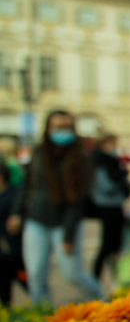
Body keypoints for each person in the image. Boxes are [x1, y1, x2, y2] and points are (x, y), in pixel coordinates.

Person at [8, 110, 104, 304]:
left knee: (72, 274)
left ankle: (104, 303)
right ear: (48, 129)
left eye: (67, 127)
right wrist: (17, 213)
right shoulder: (39, 153)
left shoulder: (82, 158)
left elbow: (78, 202)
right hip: (37, 221)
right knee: (36, 276)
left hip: (65, 223)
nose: (62, 132)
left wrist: (68, 236)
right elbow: (27, 185)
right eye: (58, 127)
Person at [90, 132, 130, 281]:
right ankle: (95, 279)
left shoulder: (110, 161)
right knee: (107, 245)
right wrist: (122, 178)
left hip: (114, 206)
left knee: (115, 247)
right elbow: (105, 186)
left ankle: (118, 280)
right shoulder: (101, 161)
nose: (115, 147)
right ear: (104, 144)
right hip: (107, 207)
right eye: (112, 143)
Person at [0, 162, 22, 306]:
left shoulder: (15, 194)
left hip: (16, 253)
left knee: (30, 283)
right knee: (4, 291)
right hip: (2, 255)